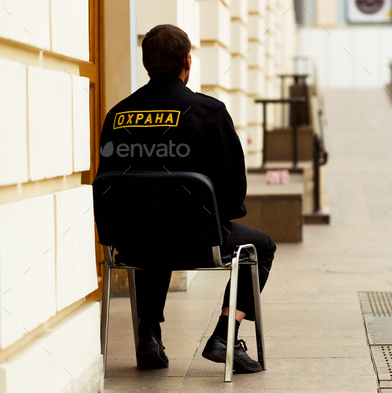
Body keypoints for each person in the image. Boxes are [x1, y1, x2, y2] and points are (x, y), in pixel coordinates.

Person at [96, 24, 276, 373]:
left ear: (146, 63)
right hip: (198, 241)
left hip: (132, 245)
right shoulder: (208, 112)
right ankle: (225, 335)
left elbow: (109, 187)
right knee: (262, 246)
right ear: (187, 61)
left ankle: (148, 336)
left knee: (149, 226)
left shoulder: (117, 115)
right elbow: (233, 193)